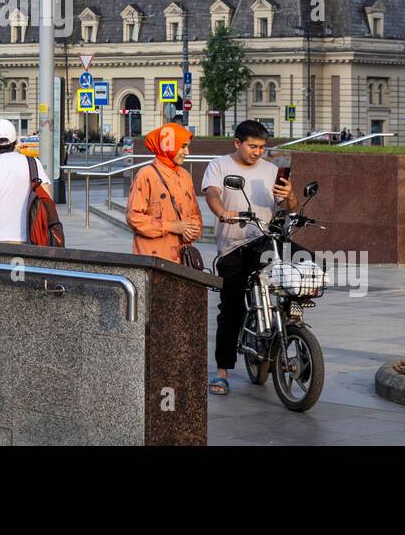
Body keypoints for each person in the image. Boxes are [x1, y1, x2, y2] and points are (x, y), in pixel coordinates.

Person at [200, 120, 304, 396]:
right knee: (231, 308)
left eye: (262, 147)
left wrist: (290, 195)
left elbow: (291, 208)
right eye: (252, 146)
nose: (258, 152)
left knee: (305, 261)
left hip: (265, 241)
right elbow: (212, 193)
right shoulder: (220, 165)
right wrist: (222, 211)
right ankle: (222, 372)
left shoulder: (271, 171)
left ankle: (292, 323)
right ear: (237, 143)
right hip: (233, 246)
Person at [124, 122, 203, 263]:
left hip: (182, 262)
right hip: (152, 261)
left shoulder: (185, 175)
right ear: (168, 146)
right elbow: (134, 218)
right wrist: (172, 227)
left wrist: (193, 231)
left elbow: (195, 213)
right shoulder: (146, 174)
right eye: (183, 146)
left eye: (187, 147)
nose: (187, 152)